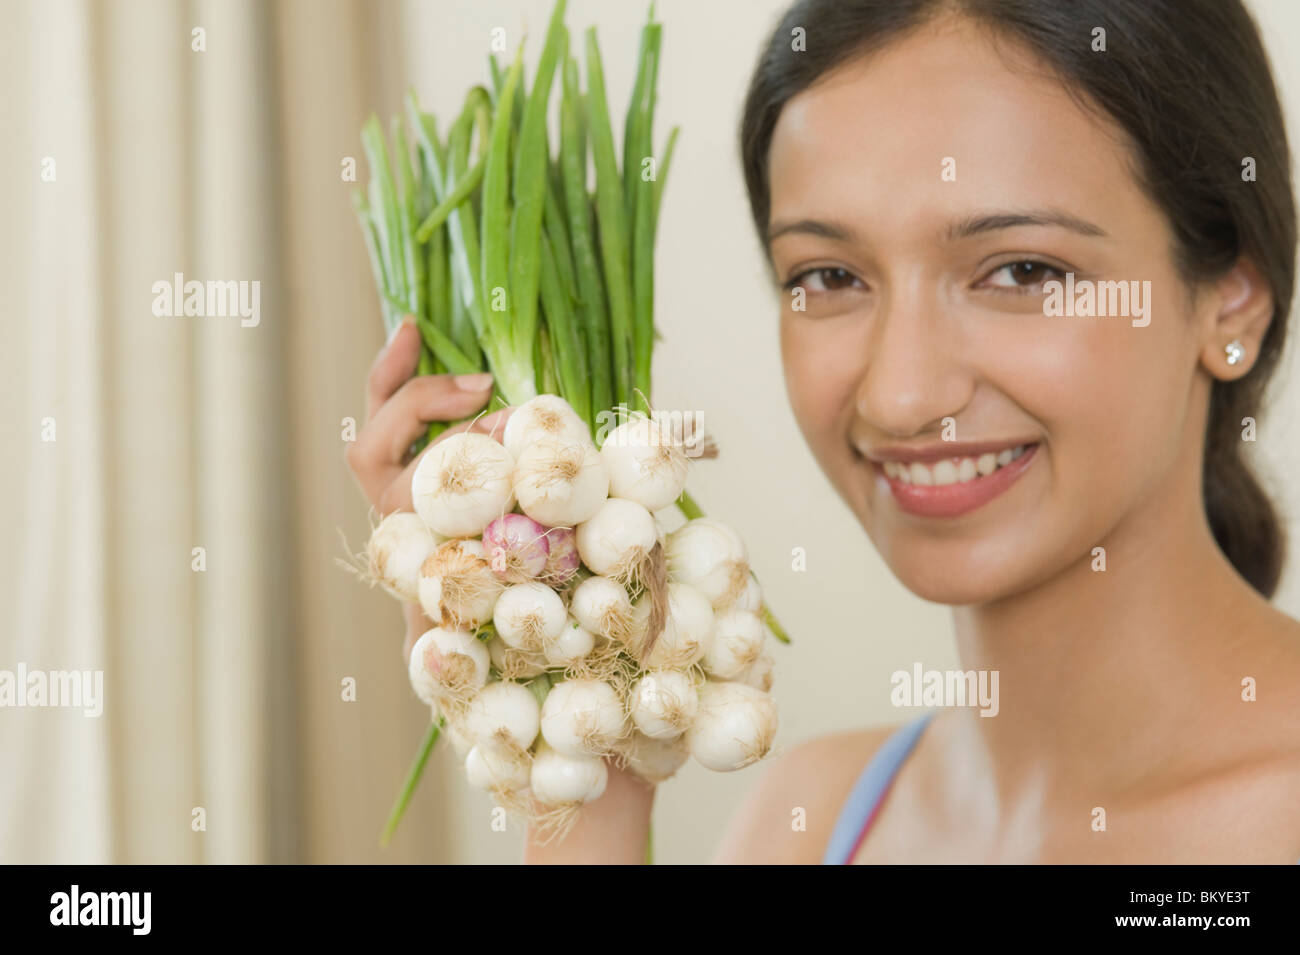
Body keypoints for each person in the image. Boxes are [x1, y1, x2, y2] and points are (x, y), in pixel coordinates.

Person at [349, 0, 1300, 863]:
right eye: (829, 278)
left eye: (1021, 271)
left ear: (1233, 300)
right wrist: (567, 720)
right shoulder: (810, 818)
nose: (899, 394)